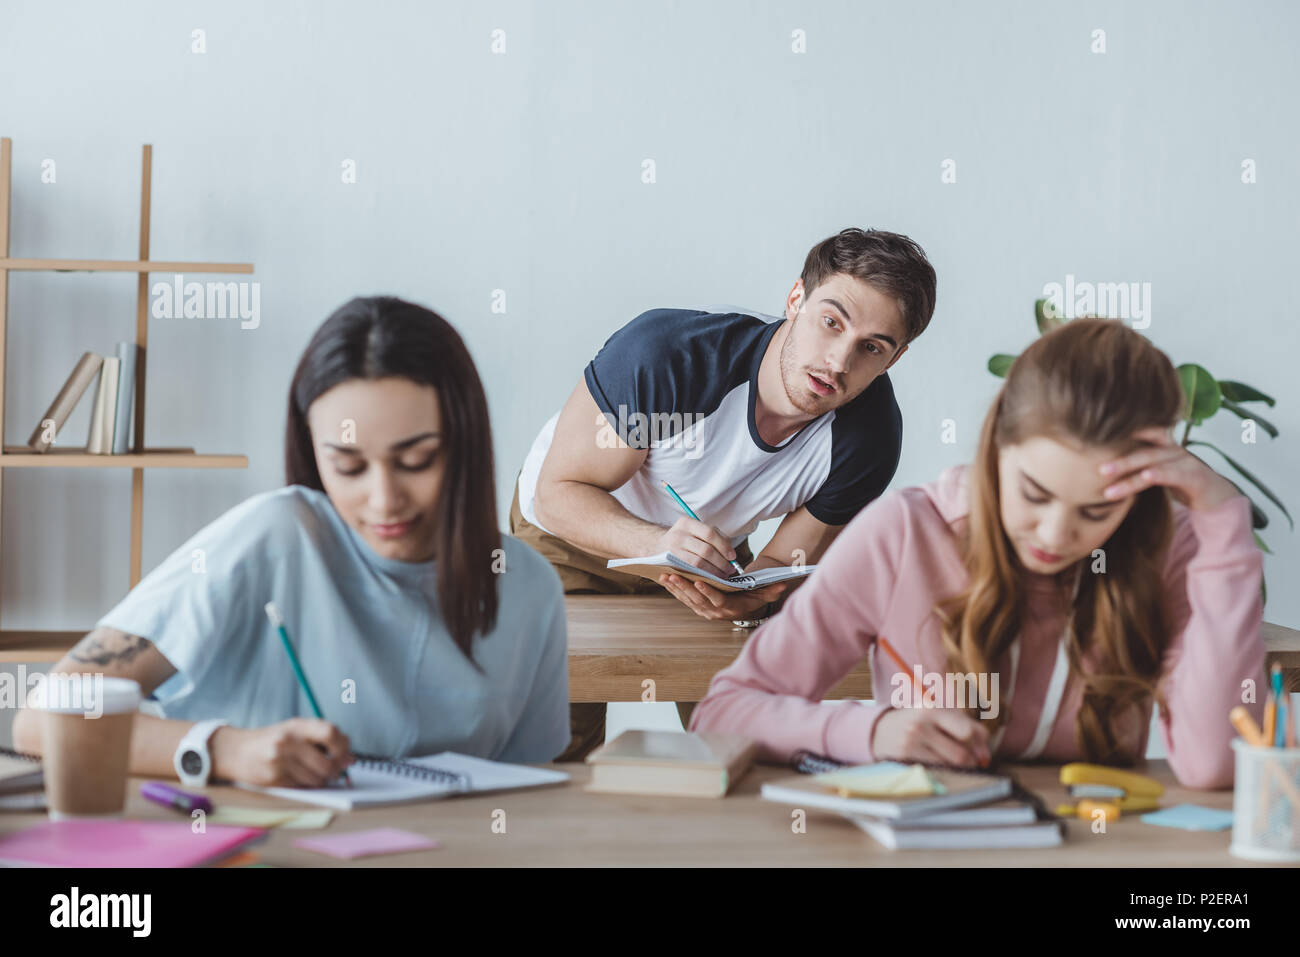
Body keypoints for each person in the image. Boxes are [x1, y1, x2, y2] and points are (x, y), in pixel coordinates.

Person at [13, 296, 570, 786]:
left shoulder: (529, 589)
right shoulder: (272, 537)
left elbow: (531, 791)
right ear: (312, 450)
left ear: (466, 444)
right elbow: (42, 720)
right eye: (348, 466)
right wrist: (223, 748)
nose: (384, 499)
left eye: (416, 460)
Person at [691, 318, 1266, 788]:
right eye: (1034, 493)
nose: (1055, 534)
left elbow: (1215, 763)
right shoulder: (906, 533)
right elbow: (726, 711)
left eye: (1096, 512)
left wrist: (1223, 521)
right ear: (996, 449)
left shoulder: (1171, 549)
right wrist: (872, 732)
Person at [511, 227, 938, 760]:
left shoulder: (869, 440)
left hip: (706, 554)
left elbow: (787, 559)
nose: (838, 362)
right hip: (571, 535)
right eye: (831, 322)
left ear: (892, 360)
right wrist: (660, 542)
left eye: (871, 348)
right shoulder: (667, 355)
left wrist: (752, 588)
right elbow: (559, 492)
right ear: (795, 300)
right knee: (559, 741)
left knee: (738, 738)